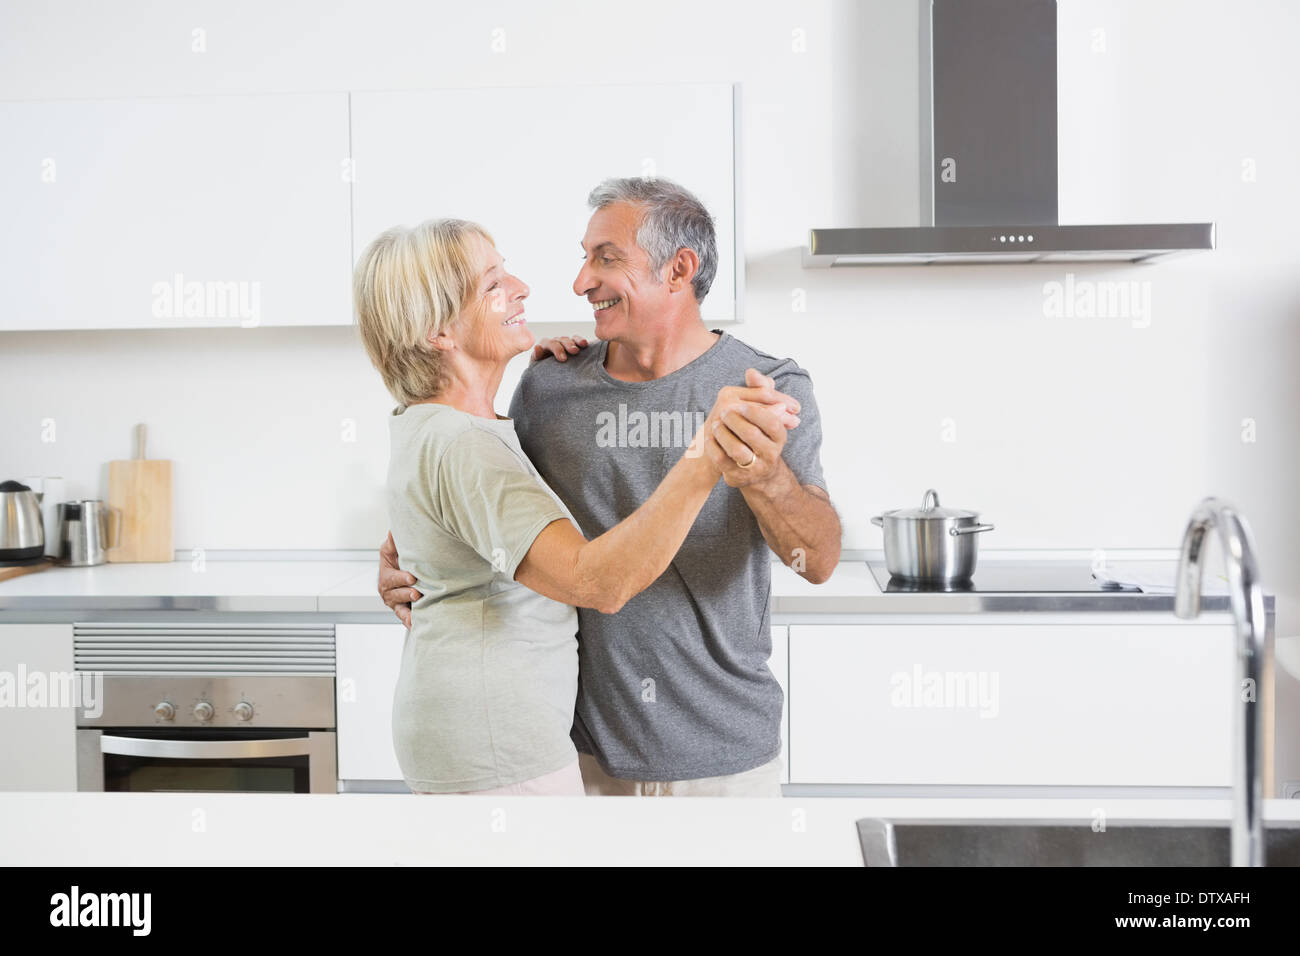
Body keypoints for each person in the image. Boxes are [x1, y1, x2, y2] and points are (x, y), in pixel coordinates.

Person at [380, 178, 840, 797]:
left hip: (722, 752)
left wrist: (765, 477)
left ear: (679, 269)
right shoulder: (549, 388)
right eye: (585, 256)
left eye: (606, 258)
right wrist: (412, 552)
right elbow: (487, 506)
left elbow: (819, 561)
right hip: (577, 754)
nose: (579, 282)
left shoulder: (767, 389)